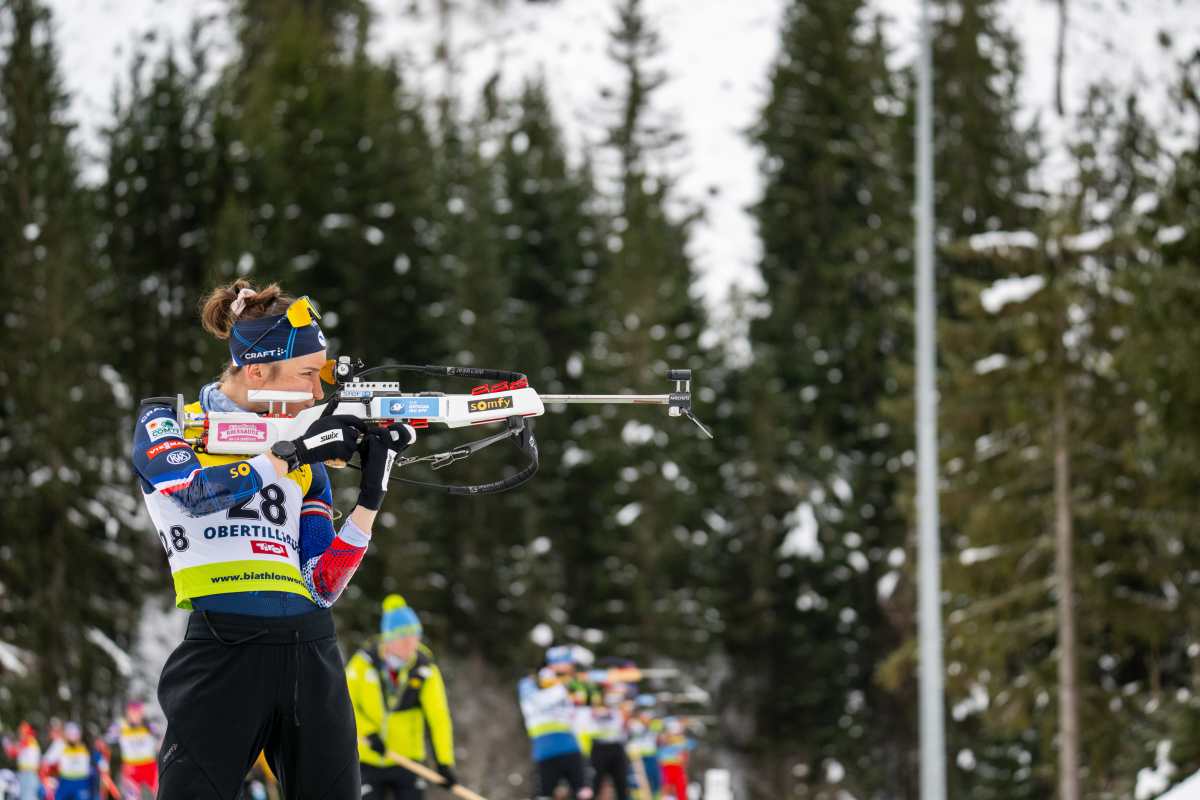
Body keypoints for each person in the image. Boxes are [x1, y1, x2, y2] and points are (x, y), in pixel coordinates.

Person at [131, 280, 415, 800]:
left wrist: (370, 499)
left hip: (311, 650)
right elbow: (196, 492)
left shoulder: (305, 457)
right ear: (257, 370)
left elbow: (322, 582)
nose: (316, 394)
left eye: (322, 378)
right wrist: (287, 455)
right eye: (307, 375)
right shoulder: (169, 422)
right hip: (223, 651)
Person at [345, 596, 458, 800]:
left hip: (409, 760)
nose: (411, 644)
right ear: (388, 639)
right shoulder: (362, 665)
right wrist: (369, 733)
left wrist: (444, 762)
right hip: (369, 757)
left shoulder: (425, 669)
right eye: (403, 637)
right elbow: (344, 705)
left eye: (415, 636)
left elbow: (439, 718)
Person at [519, 663, 592, 800]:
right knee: (544, 793)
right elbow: (539, 701)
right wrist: (563, 686)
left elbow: (581, 715)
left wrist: (581, 690)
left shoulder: (563, 693)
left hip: (571, 749)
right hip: (545, 752)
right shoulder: (528, 687)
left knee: (583, 792)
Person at [112, 702, 157, 799]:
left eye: (138, 713)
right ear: (128, 713)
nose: (135, 716)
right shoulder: (121, 726)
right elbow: (108, 738)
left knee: (159, 794)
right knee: (131, 796)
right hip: (131, 767)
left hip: (149, 766)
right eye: (132, 713)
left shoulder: (149, 726)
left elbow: (160, 740)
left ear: (141, 713)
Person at [2, 721, 40, 800]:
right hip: (25, 774)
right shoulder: (28, 740)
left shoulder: (28, 740)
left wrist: (6, 742)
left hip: (28, 775)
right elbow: (12, 752)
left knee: (27, 797)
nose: (20, 734)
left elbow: (13, 752)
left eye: (21, 732)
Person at [54, 724, 92, 800]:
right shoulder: (61, 746)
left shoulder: (85, 748)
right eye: (70, 734)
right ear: (66, 735)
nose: (73, 737)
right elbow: (47, 760)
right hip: (65, 782)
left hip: (81, 782)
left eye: (75, 734)